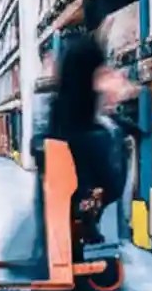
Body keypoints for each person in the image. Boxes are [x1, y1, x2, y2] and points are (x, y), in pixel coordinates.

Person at [7, 31, 140, 275]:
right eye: (103, 71)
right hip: (89, 255)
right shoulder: (99, 139)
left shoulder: (59, 122)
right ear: (92, 78)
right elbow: (111, 187)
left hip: (55, 246)